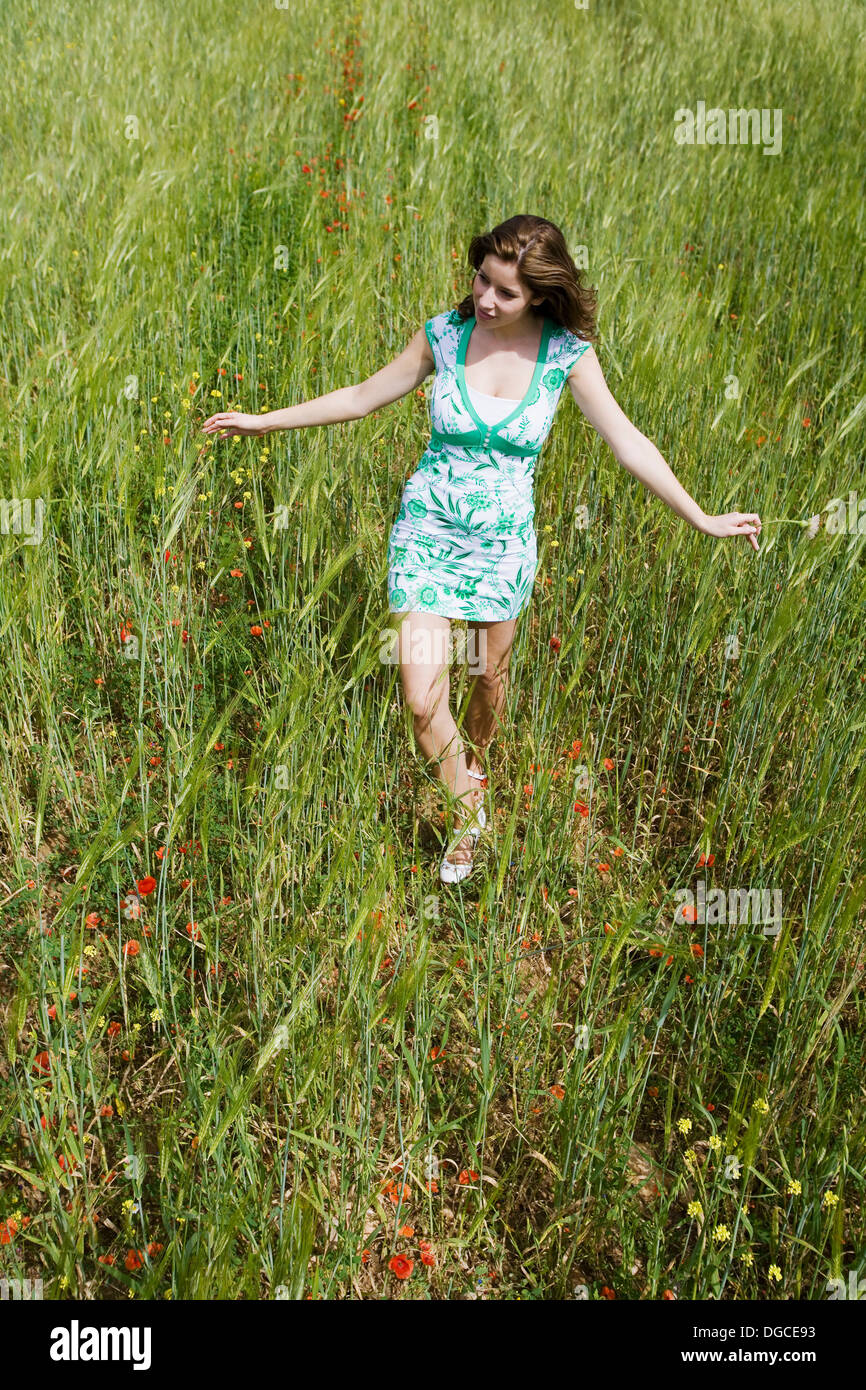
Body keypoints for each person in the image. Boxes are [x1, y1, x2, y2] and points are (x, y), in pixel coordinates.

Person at [202, 214, 762, 886]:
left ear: (541, 297)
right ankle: (467, 815)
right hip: (427, 535)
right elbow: (360, 397)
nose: (486, 300)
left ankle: (479, 766)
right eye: (481, 280)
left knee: (488, 682)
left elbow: (628, 441)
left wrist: (699, 515)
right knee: (419, 699)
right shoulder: (446, 333)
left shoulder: (565, 355)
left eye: (505, 292)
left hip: (501, 551)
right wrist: (265, 421)